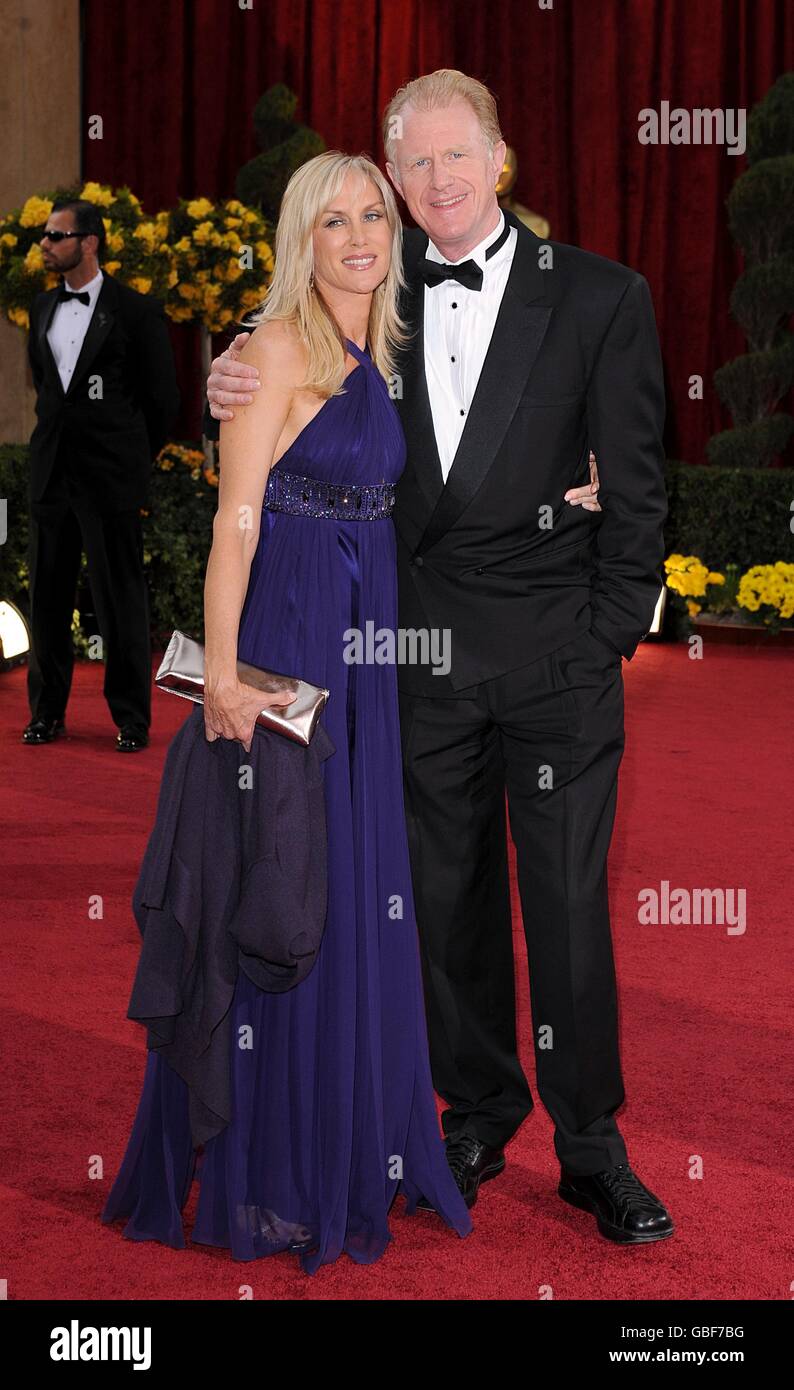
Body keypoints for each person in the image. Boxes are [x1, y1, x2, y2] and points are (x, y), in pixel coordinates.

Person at [206, 69, 674, 1245]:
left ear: (502, 159)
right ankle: (472, 1108)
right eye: (410, 164)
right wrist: (230, 368)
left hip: (559, 656)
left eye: (454, 157)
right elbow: (291, 381)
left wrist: (609, 631)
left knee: (565, 905)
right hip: (412, 654)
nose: (433, 182)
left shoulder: (601, 297)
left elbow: (639, 483)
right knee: (441, 901)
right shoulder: (371, 287)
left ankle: (590, 1146)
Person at [102, 152, 481, 1274]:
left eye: (374, 215)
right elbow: (233, 525)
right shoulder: (268, 352)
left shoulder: (383, 346)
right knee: (283, 888)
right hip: (291, 646)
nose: (361, 236)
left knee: (358, 889)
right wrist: (221, 669)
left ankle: (350, 1148)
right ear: (298, 239)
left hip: (367, 660)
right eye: (334, 221)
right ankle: (272, 1170)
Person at [24, 199, 180, 751]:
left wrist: (131, 458)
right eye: (45, 236)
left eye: (55, 235)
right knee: (47, 598)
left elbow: (162, 401)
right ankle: (46, 712)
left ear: (89, 241)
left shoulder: (135, 311)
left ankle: (132, 719)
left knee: (119, 599)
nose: (44, 244)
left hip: (109, 479)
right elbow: (46, 388)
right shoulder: (41, 307)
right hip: (51, 478)